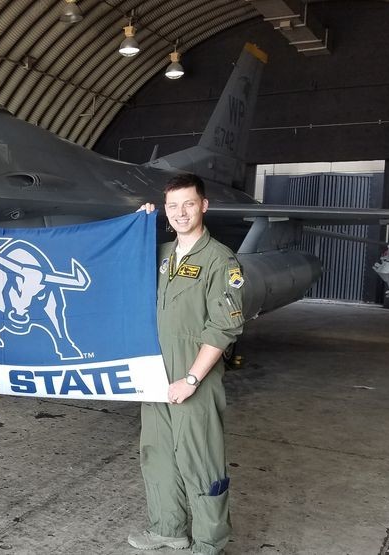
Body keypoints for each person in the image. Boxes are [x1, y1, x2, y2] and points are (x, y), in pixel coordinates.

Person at [128, 174, 245, 555]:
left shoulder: (220, 259)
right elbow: (121, 271)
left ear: (204, 206)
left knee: (200, 459)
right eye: (172, 206)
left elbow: (225, 325)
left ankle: (210, 543)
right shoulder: (159, 253)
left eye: (188, 204)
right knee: (157, 454)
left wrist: (192, 379)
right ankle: (168, 529)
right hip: (155, 376)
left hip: (194, 375)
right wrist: (137, 227)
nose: (180, 213)